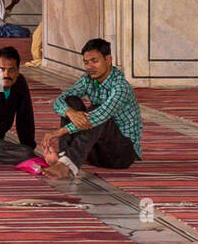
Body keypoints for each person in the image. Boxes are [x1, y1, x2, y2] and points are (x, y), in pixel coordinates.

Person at [39, 38, 142, 177]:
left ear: (108, 59)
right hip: (94, 152)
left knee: (96, 111)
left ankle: (65, 165)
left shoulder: (120, 87)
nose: (89, 67)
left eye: (95, 61)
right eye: (86, 62)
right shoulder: (88, 79)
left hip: (121, 155)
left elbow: (99, 116)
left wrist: (59, 132)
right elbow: (59, 101)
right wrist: (69, 112)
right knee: (70, 101)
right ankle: (64, 157)